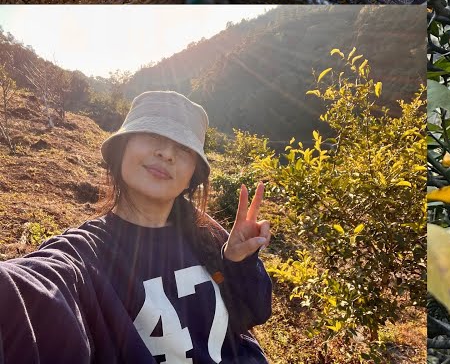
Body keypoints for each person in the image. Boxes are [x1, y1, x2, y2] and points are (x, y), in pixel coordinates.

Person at [0, 90, 273, 363]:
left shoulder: (206, 235)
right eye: (153, 136)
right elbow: (32, 291)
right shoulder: (84, 255)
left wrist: (238, 264)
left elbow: (253, 313)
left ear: (192, 176)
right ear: (122, 149)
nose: (166, 153)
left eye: (184, 148)